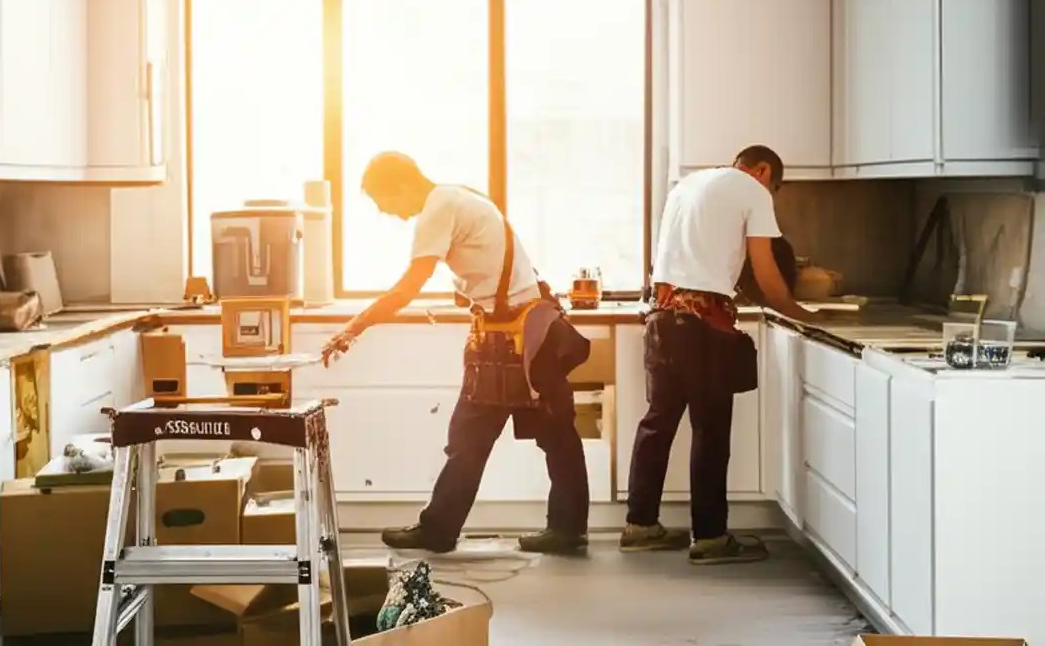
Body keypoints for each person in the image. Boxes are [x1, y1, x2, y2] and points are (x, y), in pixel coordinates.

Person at [321, 151, 592, 555]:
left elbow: (408, 287)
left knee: (528, 436)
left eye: (383, 202)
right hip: (521, 335)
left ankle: (450, 530)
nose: (387, 213)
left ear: (401, 185)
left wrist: (353, 327)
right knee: (500, 437)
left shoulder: (438, 207)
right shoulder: (459, 196)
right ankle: (551, 529)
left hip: (519, 343)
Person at [621, 145, 819, 565]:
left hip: (660, 318)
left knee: (657, 424)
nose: (771, 196)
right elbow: (764, 267)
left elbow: (699, 257)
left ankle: (640, 526)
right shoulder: (753, 190)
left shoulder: (688, 184)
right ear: (763, 171)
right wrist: (799, 312)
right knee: (710, 432)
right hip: (701, 328)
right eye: (775, 187)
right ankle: (710, 537)